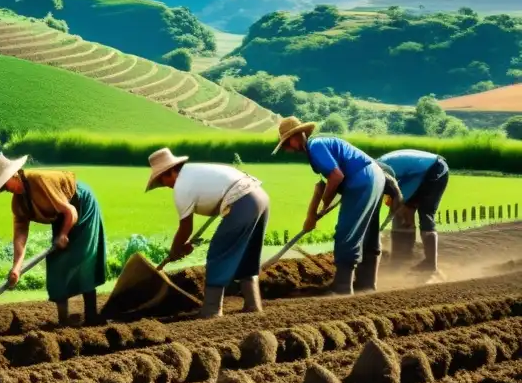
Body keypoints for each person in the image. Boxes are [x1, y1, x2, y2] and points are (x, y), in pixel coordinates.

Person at [0, 153, 107, 326]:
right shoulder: (18, 204)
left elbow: (71, 212)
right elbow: (20, 237)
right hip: (61, 217)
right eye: (2, 188)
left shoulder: (39, 180)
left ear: (13, 174)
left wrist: (63, 234)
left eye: (4, 185)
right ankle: (64, 321)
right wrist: (16, 268)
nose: (5, 190)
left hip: (81, 205)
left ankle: (92, 316)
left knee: (82, 257)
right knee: (56, 262)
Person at [146, 149, 270, 318]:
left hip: (243, 202)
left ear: (170, 172)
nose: (165, 185)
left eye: (162, 179)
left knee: (218, 252)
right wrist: (184, 246)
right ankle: (253, 304)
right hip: (259, 197)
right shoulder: (194, 172)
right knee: (247, 255)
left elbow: (185, 227)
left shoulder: (181, 186)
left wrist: (175, 249)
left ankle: (212, 310)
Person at [274, 117, 385, 295]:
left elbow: (336, 176)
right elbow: (322, 186)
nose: (288, 149)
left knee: (346, 230)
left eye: (288, 143)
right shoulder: (317, 147)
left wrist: (326, 203)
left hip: (362, 179)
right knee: (369, 232)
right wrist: (312, 214)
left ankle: (342, 286)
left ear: (299, 135)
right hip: (375, 176)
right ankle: (367, 284)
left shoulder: (315, 146)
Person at [377, 149, 449, 275]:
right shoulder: (377, 167)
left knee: (425, 214)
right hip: (418, 172)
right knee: (404, 211)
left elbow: (396, 196)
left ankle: (430, 265)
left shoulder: (378, 173)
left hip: (434, 170)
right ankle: (401, 259)